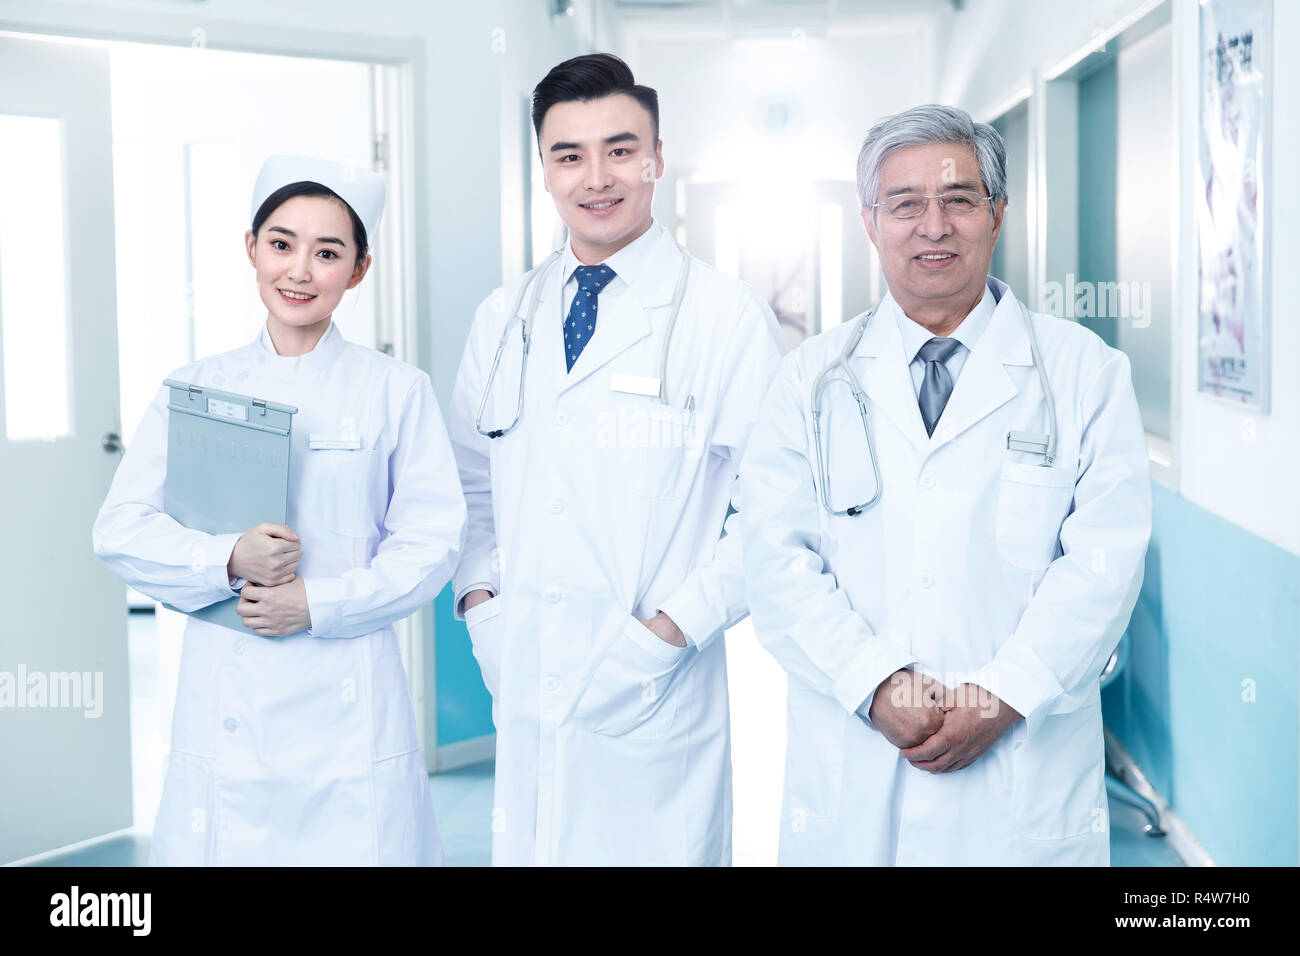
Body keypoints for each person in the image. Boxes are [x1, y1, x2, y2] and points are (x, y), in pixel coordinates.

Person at [740, 104, 1152, 865]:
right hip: (858, 759)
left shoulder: (1084, 373)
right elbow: (773, 557)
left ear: (997, 215)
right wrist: (873, 683)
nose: (933, 225)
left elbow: (1104, 565)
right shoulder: (809, 378)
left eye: (958, 199)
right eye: (905, 204)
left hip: (1021, 767)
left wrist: (1005, 693)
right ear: (870, 222)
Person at [447, 53, 783, 865]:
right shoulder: (505, 316)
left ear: (658, 158)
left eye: (621, 149)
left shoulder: (723, 318)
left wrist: (667, 635)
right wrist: (482, 605)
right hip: (526, 670)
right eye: (569, 155)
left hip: (655, 691)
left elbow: (775, 513)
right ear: (545, 169)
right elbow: (467, 487)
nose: (597, 177)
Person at [93, 155, 466, 865]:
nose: (299, 271)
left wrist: (317, 604)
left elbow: (431, 545)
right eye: (282, 244)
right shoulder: (196, 388)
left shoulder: (395, 391)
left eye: (327, 253)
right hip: (229, 702)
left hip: (349, 709)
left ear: (357, 270)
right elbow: (119, 530)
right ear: (251, 249)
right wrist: (225, 556)